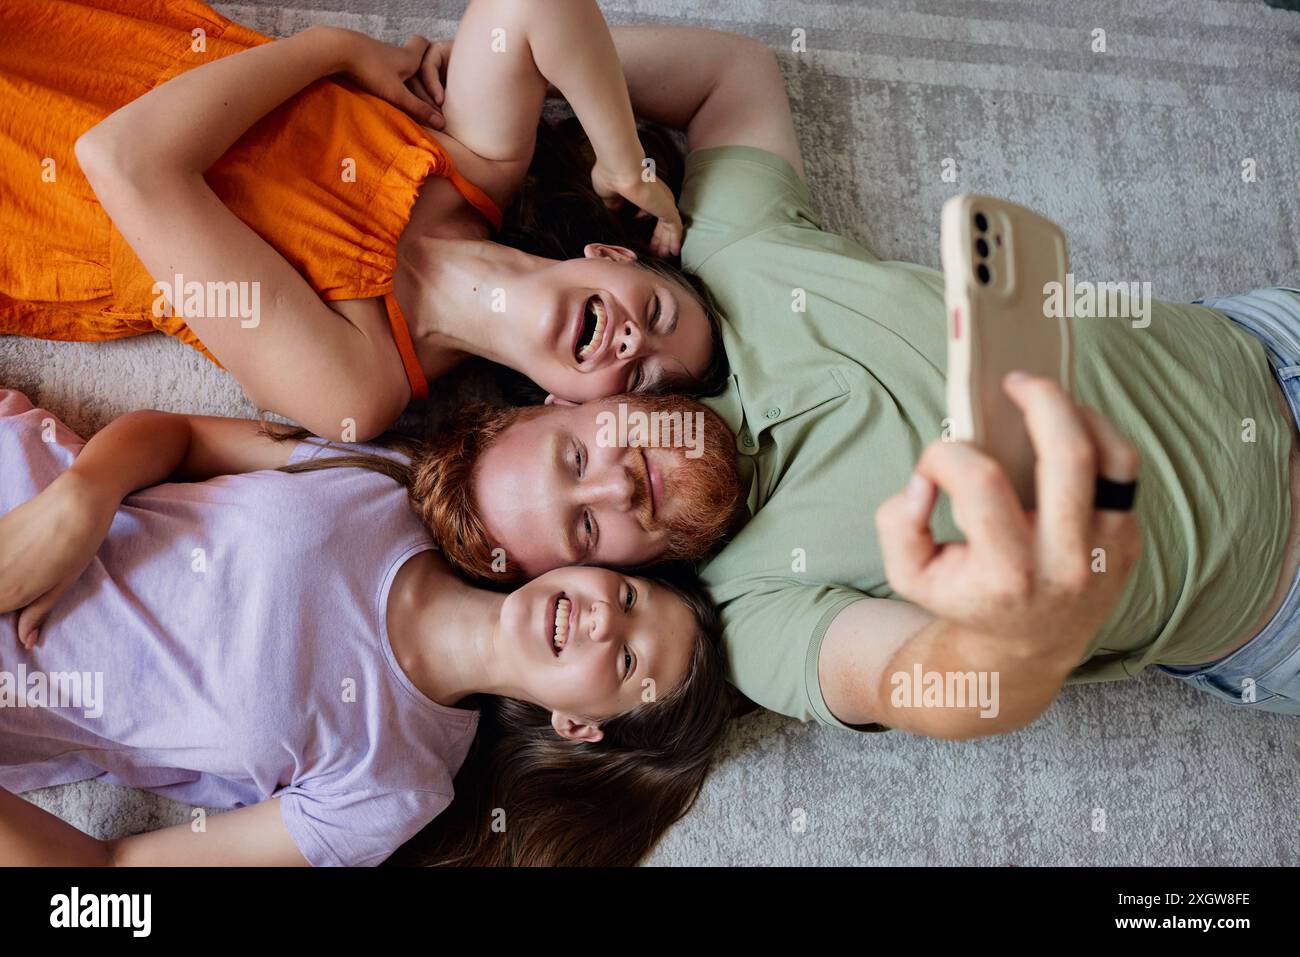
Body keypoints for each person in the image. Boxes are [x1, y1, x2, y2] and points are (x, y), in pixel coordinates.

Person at [421, 24, 1300, 733]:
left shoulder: (729, 258)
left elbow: (734, 74)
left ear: (571, 399)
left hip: (1264, 344)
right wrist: (1026, 631)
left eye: (576, 458)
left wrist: (555, 110)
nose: (616, 484)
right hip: (1282, 598)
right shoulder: (757, 616)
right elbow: (915, 679)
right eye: (585, 531)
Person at [0, 389, 733, 866]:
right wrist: (83, 497)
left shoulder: (398, 788)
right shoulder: (388, 480)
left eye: (631, 661)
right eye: (631, 596)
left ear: (577, 725)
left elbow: (107, 875)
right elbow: (179, 436)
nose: (607, 619)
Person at [0, 0, 723, 441]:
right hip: (87, 39)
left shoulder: (357, 386)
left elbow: (124, 160)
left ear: (567, 403)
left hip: (31, 179)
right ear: (610, 254)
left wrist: (329, 49)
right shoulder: (481, 159)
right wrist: (623, 161)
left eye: (642, 382)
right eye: (655, 313)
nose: (632, 343)